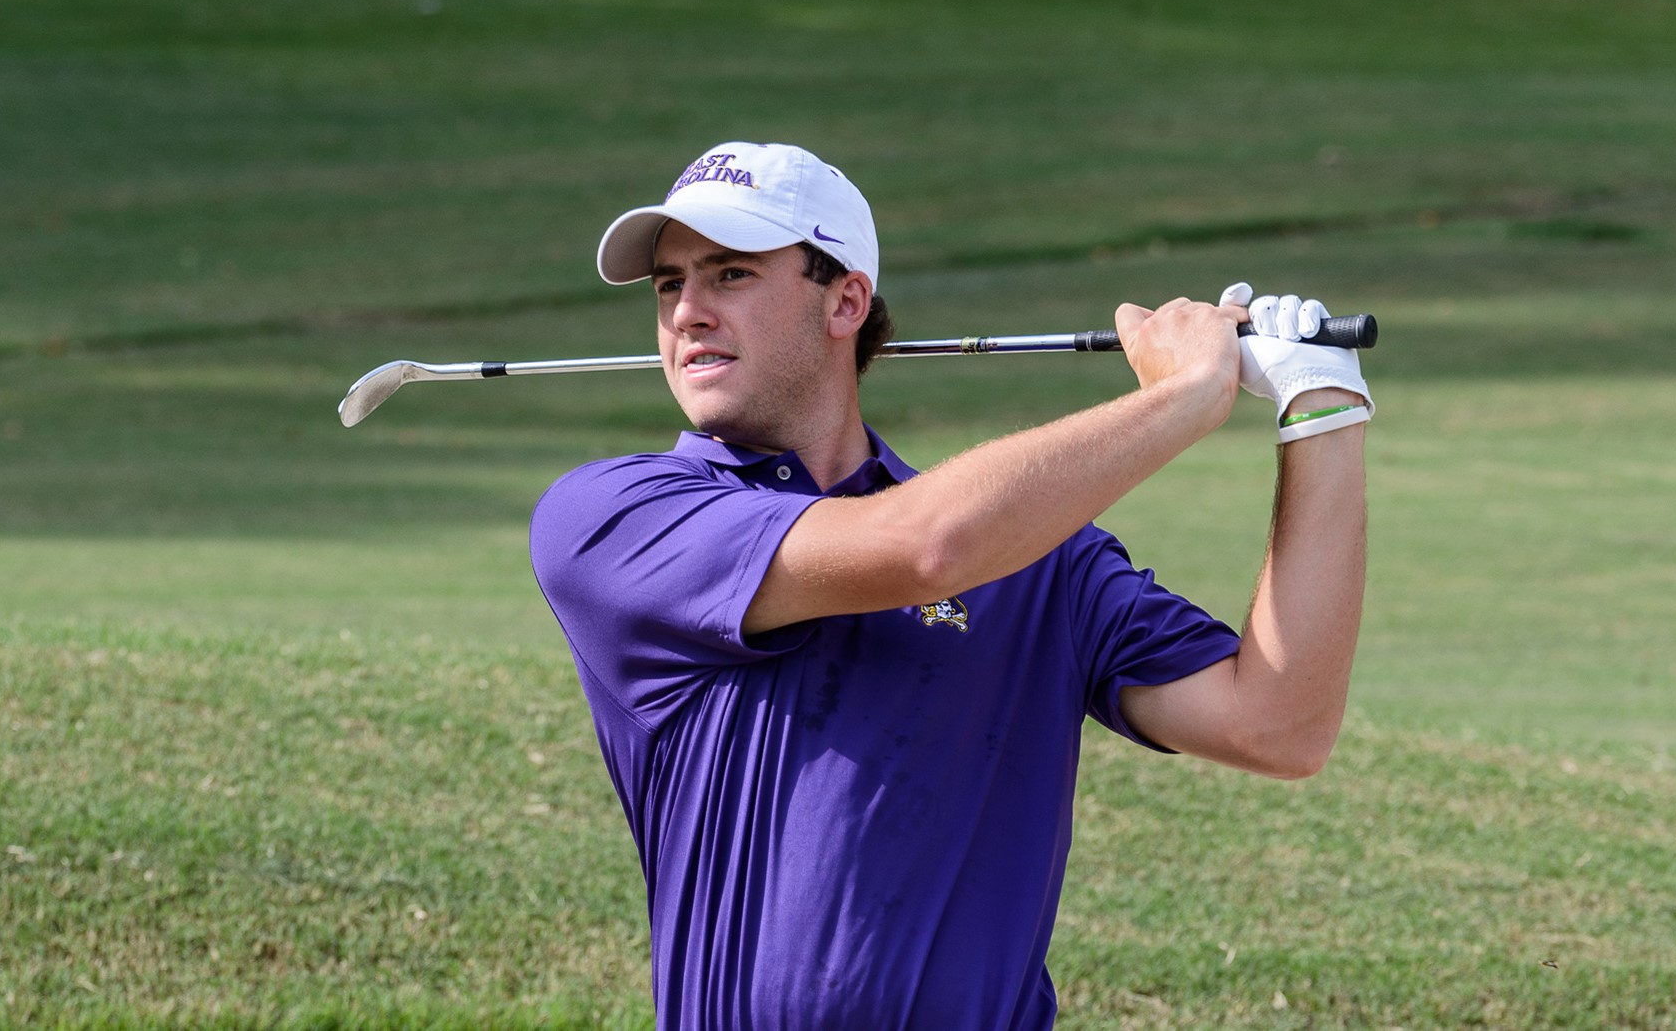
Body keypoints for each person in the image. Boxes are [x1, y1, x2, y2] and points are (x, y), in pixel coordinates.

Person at [528, 141, 1370, 1029]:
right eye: (669, 285)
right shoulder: (613, 517)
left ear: (845, 299)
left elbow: (1281, 725)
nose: (688, 312)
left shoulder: (1042, 557)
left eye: (730, 274)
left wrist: (1322, 411)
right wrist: (1185, 396)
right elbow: (923, 547)